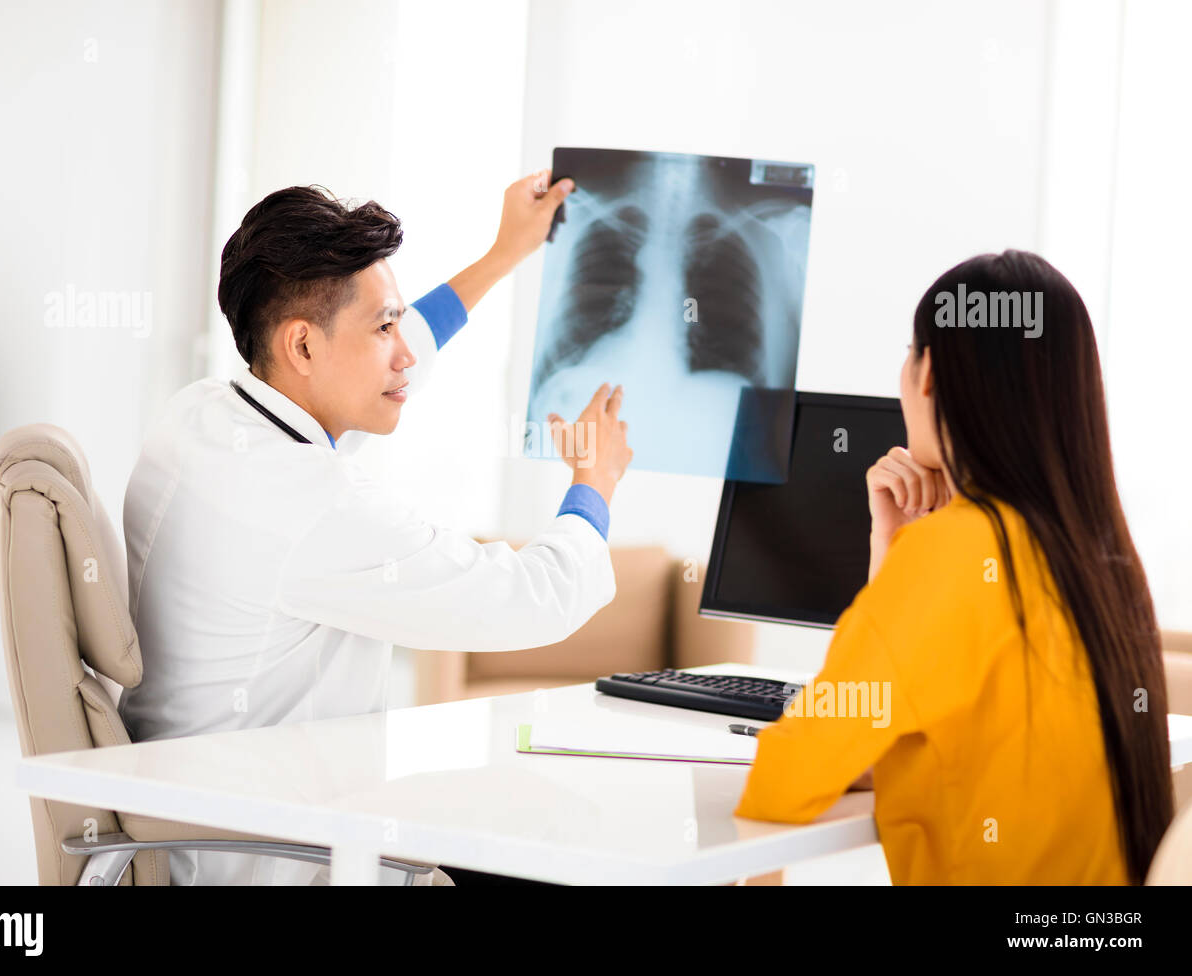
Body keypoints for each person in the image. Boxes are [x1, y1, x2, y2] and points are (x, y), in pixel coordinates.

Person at [117, 171, 633, 885]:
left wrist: (505, 253)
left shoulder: (208, 415)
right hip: (268, 851)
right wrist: (594, 484)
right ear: (301, 346)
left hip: (194, 814)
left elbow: (388, 357)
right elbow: (532, 599)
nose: (405, 352)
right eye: (383, 326)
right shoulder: (313, 505)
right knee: (564, 845)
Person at [734, 250, 1174, 885]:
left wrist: (905, 562)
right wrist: (897, 557)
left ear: (930, 371)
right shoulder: (1101, 558)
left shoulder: (954, 554)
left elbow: (784, 779)